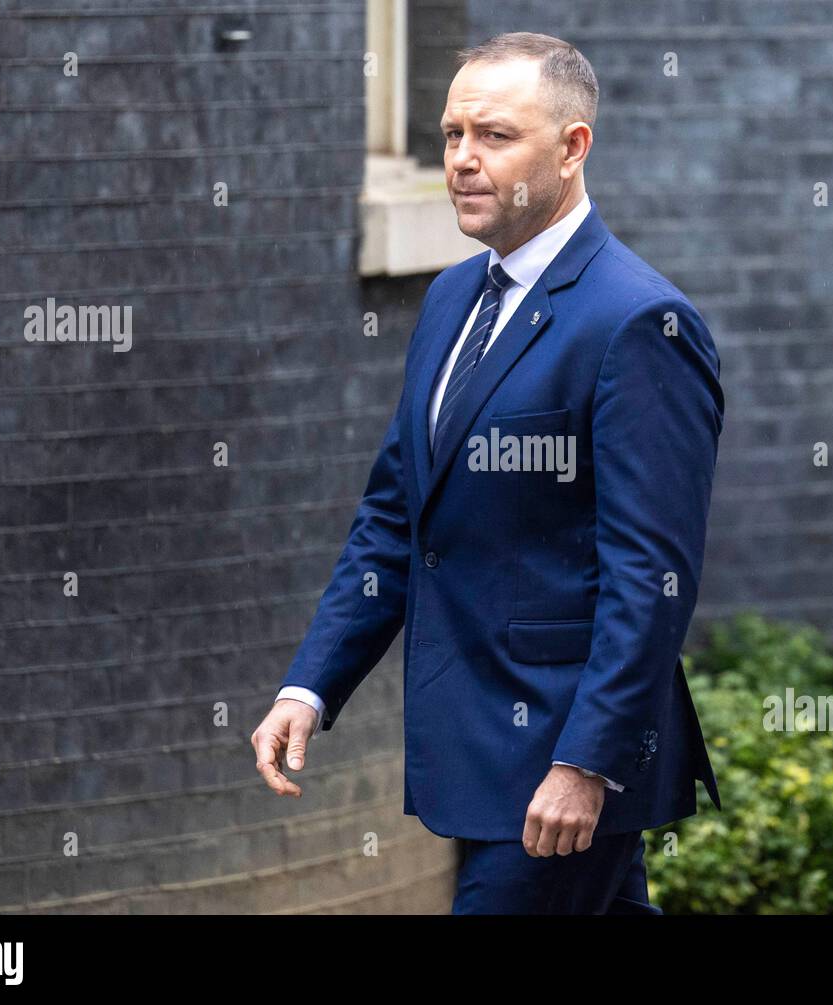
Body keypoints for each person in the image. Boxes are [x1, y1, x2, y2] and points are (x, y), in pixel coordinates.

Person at [251, 31, 723, 914]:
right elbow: (398, 517)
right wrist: (310, 684)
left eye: (495, 136)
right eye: (450, 135)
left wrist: (587, 762)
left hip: (558, 758)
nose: (463, 160)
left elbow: (649, 577)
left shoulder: (638, 323)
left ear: (573, 147)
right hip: (475, 747)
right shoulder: (450, 299)